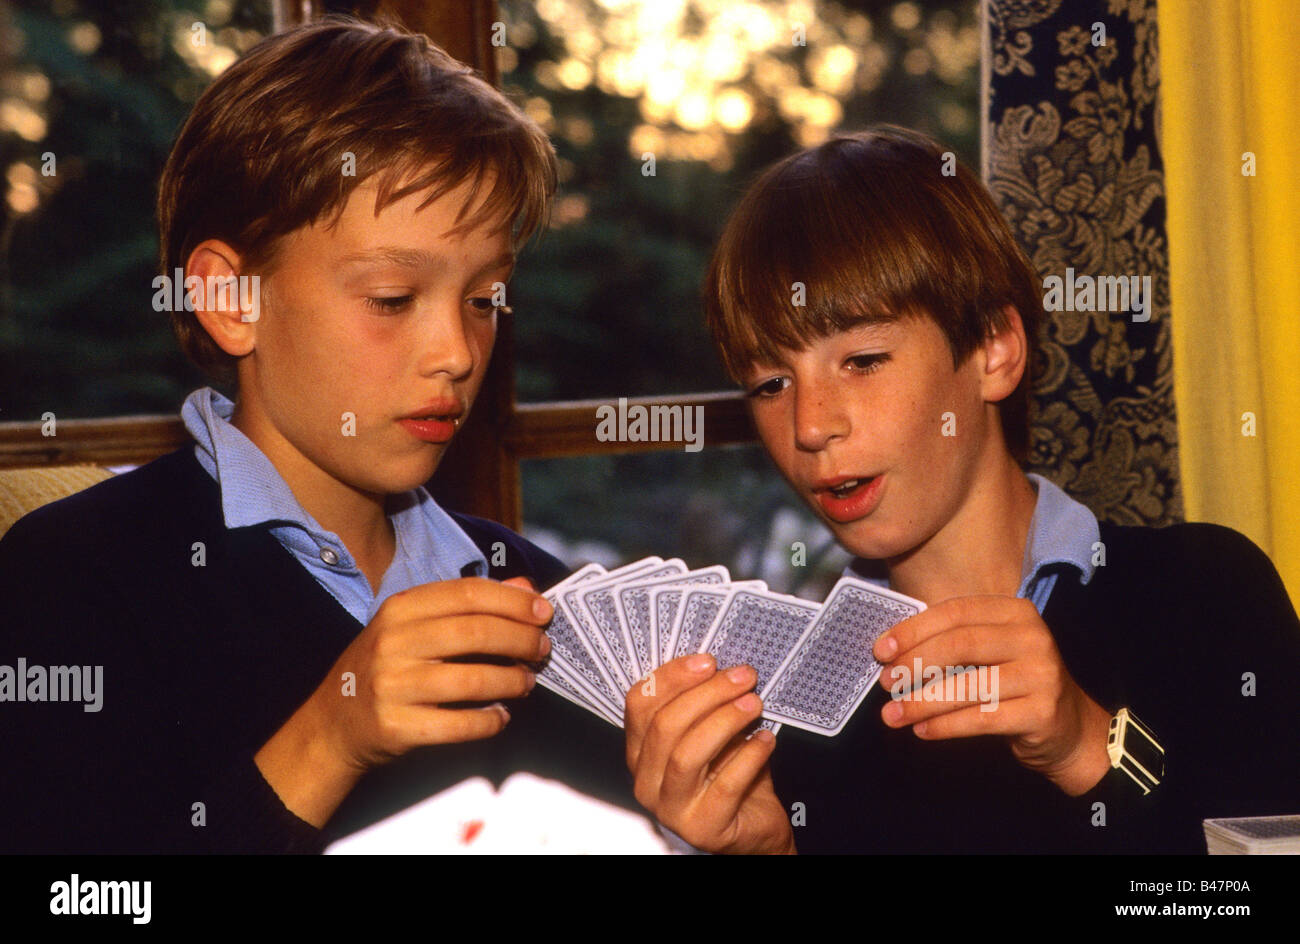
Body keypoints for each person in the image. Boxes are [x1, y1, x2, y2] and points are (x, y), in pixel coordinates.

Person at [0, 17, 632, 853]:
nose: (457, 353)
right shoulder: (72, 579)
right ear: (232, 301)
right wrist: (331, 738)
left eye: (484, 299)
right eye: (391, 298)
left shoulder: (545, 602)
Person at [624, 126, 1300, 854]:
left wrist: (1087, 750)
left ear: (995, 351)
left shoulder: (1205, 595)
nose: (810, 425)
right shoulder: (781, 720)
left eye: (863, 359)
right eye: (769, 383)